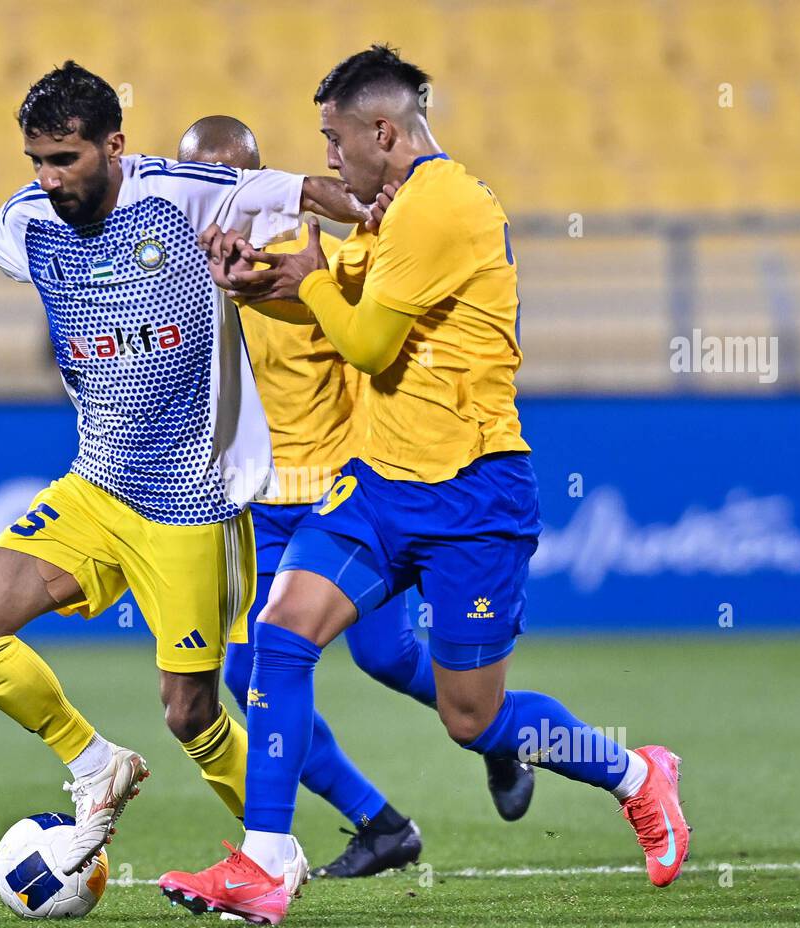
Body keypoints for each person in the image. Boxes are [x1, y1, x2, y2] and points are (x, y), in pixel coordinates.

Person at [160, 47, 690, 925]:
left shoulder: (444, 204)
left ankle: (637, 773)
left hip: (473, 495)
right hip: (379, 483)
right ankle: (265, 860)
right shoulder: (394, 211)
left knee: (473, 717)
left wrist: (314, 285)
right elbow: (326, 297)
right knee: (280, 632)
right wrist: (262, 284)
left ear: (382, 130)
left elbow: (364, 342)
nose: (327, 158)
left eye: (333, 139)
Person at [0, 61, 370, 880]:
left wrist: (378, 215)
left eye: (65, 159)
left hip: (194, 500)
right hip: (97, 485)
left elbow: (301, 192)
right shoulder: (33, 216)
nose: (48, 179)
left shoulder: (179, 194)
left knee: (190, 714)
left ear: (115, 145)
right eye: (36, 160)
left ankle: (271, 851)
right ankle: (94, 764)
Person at [178, 115, 533, 879]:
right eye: (196, 188)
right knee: (249, 675)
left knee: (388, 656)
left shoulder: (312, 263)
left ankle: (498, 734)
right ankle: (380, 821)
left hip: (344, 490)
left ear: (258, 180)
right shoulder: (180, 276)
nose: (212, 203)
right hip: (264, 504)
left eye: (228, 184)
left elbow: (372, 349)